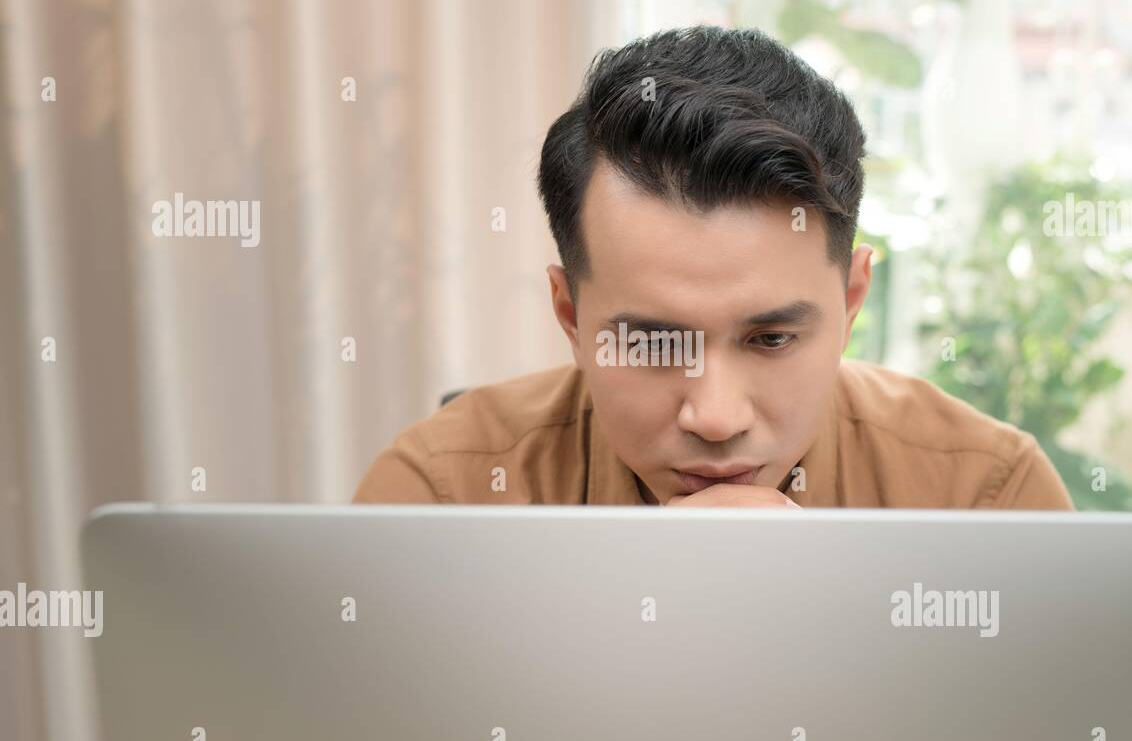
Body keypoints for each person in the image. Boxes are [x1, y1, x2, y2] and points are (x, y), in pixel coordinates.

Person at [353, 26, 1072, 511]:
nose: (717, 418)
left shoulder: (988, 497)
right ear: (570, 316)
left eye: (771, 339)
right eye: (654, 342)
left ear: (852, 301)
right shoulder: (437, 496)